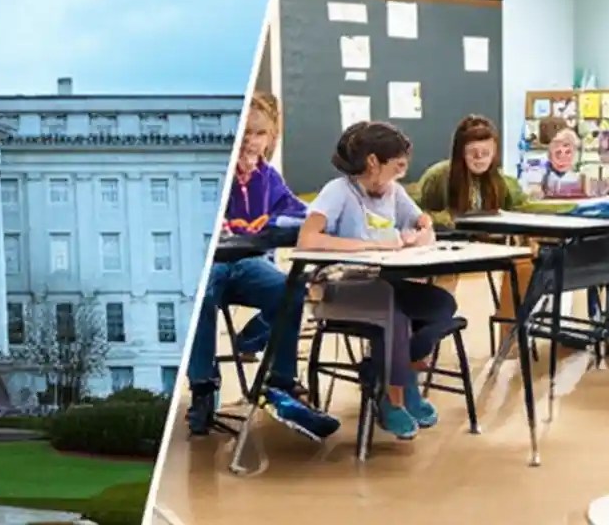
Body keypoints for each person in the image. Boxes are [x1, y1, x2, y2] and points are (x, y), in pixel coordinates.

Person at [298, 121, 456, 440]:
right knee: (394, 314)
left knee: (440, 304)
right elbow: (307, 239)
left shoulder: (393, 191)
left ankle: (393, 374)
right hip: (342, 289)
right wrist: (373, 245)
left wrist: (421, 233)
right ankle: (390, 398)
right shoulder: (338, 191)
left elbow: (422, 220)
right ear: (373, 162)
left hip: (384, 283)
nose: (401, 174)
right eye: (397, 166)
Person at [185, 92, 308, 436]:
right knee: (202, 295)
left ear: (269, 139)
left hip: (249, 264)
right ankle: (203, 388)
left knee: (292, 289)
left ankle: (279, 377)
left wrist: (280, 223)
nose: (250, 141)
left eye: (258, 133)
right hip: (211, 265)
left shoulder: (268, 178)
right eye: (243, 133)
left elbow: (299, 212)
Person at [418, 114, 526, 227]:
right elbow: (414, 214)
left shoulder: (504, 182)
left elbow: (523, 206)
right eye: (473, 152)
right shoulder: (437, 177)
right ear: (461, 153)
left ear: (494, 153)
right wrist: (445, 218)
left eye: (486, 153)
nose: (479, 158)